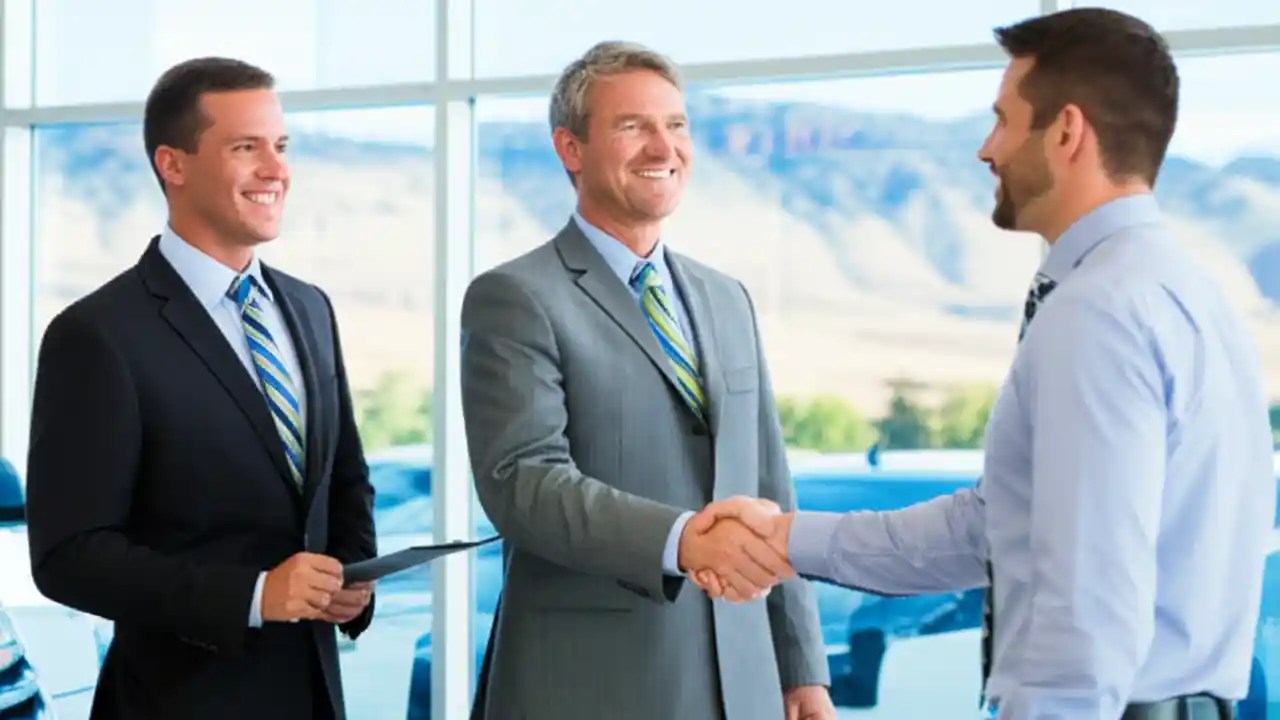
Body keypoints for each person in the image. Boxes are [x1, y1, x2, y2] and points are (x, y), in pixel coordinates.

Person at [691, 8, 1274, 720]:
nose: (986, 149)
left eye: (1003, 119)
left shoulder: (1098, 313)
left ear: (1065, 131)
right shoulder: (1187, 290)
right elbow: (993, 527)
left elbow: (1083, 609)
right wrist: (788, 538)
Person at [460, 41, 834, 719]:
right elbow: (523, 482)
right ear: (571, 149)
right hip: (591, 686)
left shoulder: (727, 299)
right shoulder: (515, 297)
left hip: (743, 682)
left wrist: (802, 666)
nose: (663, 145)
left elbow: (772, 489)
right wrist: (683, 540)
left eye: (677, 124)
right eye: (633, 126)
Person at [25, 57, 376, 720]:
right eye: (246, 147)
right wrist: (252, 594)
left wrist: (352, 578)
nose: (276, 170)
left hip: (314, 696)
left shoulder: (310, 308)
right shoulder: (98, 335)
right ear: (173, 164)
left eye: (281, 146)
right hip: (178, 702)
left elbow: (345, 480)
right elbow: (70, 554)